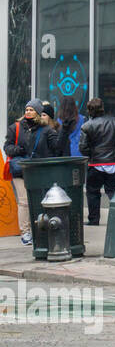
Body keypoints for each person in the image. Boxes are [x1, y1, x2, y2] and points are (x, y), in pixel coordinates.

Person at [4, 99, 44, 243]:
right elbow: (7, 147)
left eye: (31, 109)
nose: (28, 112)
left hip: (36, 168)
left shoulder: (42, 129)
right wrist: (18, 150)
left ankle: (38, 230)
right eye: (27, 109)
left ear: (38, 112)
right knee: (24, 201)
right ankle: (25, 232)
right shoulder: (15, 127)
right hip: (19, 168)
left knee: (38, 200)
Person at [79, 98, 115, 226]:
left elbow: (83, 147)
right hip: (113, 162)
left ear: (89, 110)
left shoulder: (87, 126)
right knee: (114, 192)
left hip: (95, 163)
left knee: (92, 192)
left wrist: (92, 154)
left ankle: (94, 219)